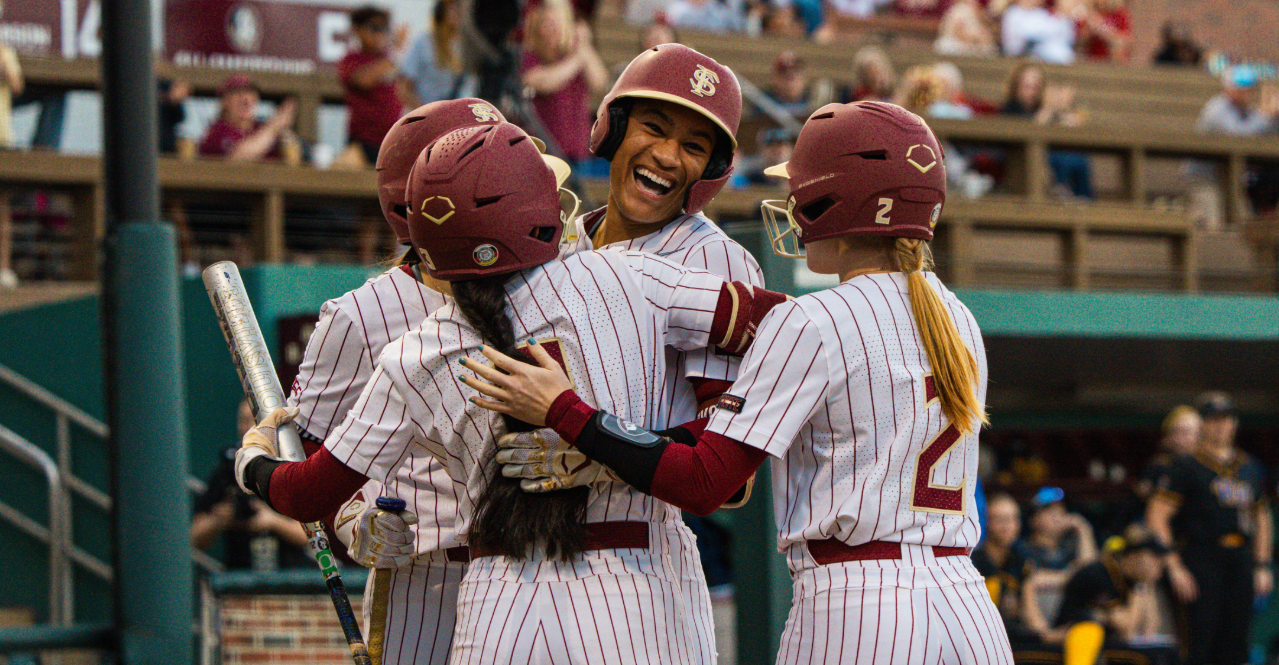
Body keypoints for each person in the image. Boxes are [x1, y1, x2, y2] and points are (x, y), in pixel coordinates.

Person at [469, 101, 1015, 662]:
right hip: (965, 606)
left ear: (838, 201)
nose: (795, 204)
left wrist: (566, 411)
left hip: (859, 605)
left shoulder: (809, 320)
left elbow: (706, 482)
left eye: (803, 189)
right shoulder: (958, 320)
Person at [234, 120, 788, 664]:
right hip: (636, 577)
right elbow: (786, 326)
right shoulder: (630, 274)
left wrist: (253, 461)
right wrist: (684, 431)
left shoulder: (416, 350)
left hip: (498, 599)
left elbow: (305, 493)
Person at [282, 98, 507, 665]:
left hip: (538, 568)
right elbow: (306, 452)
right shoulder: (361, 314)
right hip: (425, 577)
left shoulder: (546, 285)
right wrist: (351, 519)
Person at [1147, 391, 1272, 665]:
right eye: (1213, 419)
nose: (1221, 425)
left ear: (1235, 423)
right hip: (1200, 557)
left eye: (1226, 419)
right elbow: (1156, 515)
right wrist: (1174, 564)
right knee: (1200, 640)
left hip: (1240, 557)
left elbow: (1261, 517)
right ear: (1203, 423)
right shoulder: (1186, 465)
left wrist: (1262, 565)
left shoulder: (1249, 466)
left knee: (1236, 641)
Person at [191, 400, 310, 571]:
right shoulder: (227, 471)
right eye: (243, 421)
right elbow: (194, 536)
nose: (247, 429)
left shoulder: (290, 468)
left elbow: (312, 534)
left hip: (288, 578)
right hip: (240, 576)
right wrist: (220, 518)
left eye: (254, 422)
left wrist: (272, 521)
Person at [1048, 525, 1170, 664]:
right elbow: (1126, 629)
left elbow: (1150, 629)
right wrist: (1140, 590)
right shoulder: (1100, 574)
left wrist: (1145, 586)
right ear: (1137, 555)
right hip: (1074, 636)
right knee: (1090, 633)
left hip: (1104, 643)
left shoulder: (1131, 580)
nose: (1160, 567)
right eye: (1156, 559)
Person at [520, 6, 609, 165]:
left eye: (559, 23)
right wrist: (578, 58)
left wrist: (584, 46)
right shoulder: (531, 55)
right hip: (542, 149)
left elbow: (600, 82)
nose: (554, 28)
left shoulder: (576, 54)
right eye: (548, 23)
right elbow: (543, 82)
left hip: (577, 149)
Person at [1003, 64, 1093, 199]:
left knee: (1079, 159)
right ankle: (1059, 195)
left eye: (1036, 87)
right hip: (1021, 159)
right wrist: (1047, 109)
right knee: (1059, 160)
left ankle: (1085, 200)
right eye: (1028, 87)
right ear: (1016, 87)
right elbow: (1031, 129)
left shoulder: (1040, 107)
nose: (1033, 92)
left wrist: (1065, 111)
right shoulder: (1010, 109)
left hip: (1048, 153)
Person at [338, 6, 406, 164]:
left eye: (384, 28)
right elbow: (363, 80)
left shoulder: (390, 59)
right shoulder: (351, 60)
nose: (380, 34)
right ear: (357, 30)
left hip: (393, 143)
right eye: (374, 28)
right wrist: (396, 51)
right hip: (363, 144)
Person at [972, 494, 1039, 647]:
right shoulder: (973, 561)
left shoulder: (1022, 559)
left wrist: (1048, 634)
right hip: (980, 637)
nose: (1008, 526)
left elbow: (1031, 612)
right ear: (987, 523)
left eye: (1014, 519)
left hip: (1013, 636)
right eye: (1001, 520)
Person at [198, 75, 297, 161]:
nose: (246, 99)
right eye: (238, 94)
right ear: (225, 101)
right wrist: (274, 127)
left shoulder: (260, 127)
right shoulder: (217, 132)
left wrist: (285, 134)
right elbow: (238, 158)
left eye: (250, 93)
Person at [401, 0, 469, 105]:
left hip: (455, 115)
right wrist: (425, 115)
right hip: (424, 113)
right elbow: (403, 88)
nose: (459, 11)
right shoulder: (424, 41)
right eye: (454, 6)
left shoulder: (465, 45)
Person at [1134, 404, 1201, 500]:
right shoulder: (1160, 466)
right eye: (1181, 432)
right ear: (1168, 437)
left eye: (1193, 432)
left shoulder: (1207, 465)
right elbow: (1142, 492)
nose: (1188, 438)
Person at [1000, 0, 1076, 64]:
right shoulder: (1013, 13)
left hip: (1050, 55)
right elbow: (1013, 42)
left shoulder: (1042, 14)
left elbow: (1062, 34)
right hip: (1023, 55)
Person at [765, 51, 833, 119]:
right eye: (786, 76)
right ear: (775, 78)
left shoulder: (815, 105)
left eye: (796, 74)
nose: (792, 82)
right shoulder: (764, 105)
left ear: (804, 78)